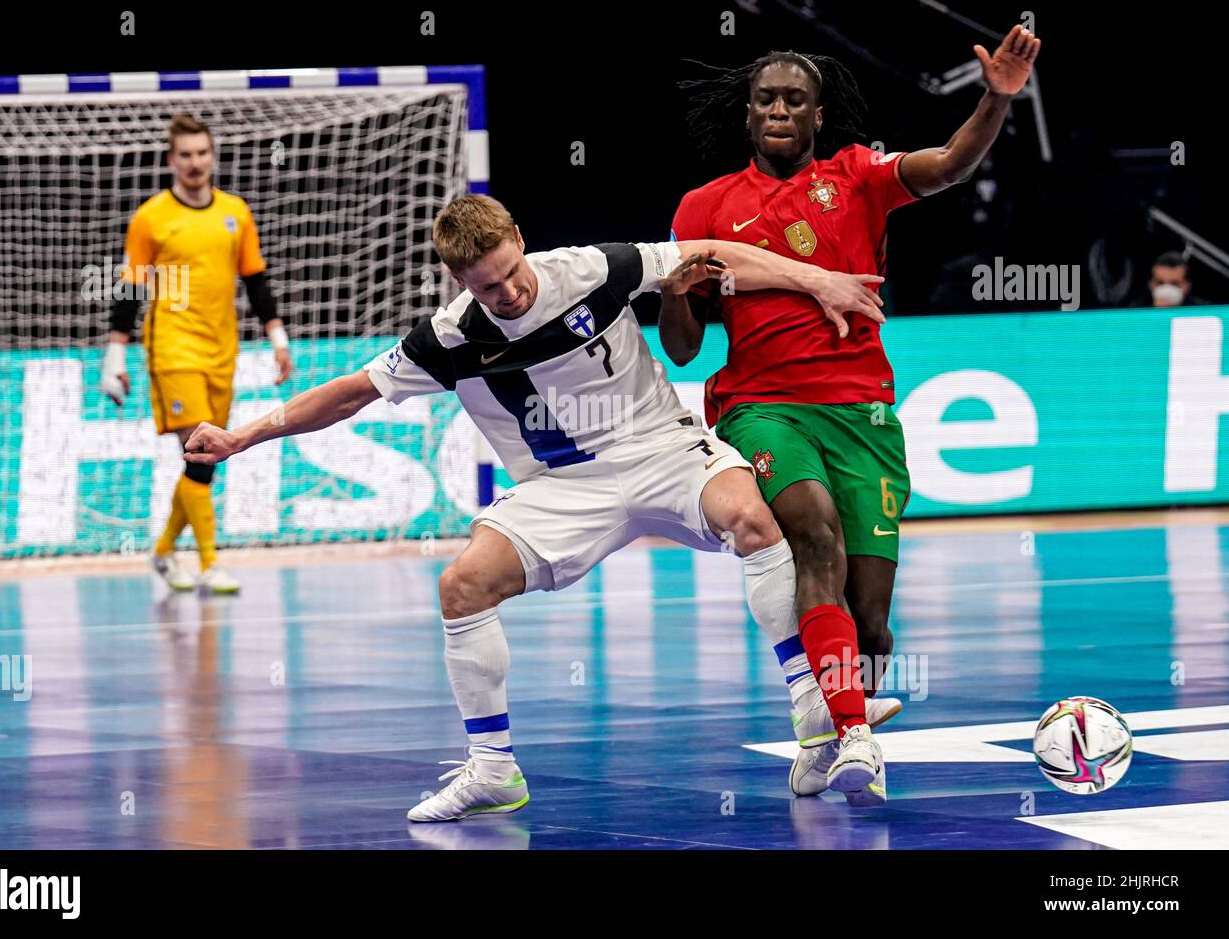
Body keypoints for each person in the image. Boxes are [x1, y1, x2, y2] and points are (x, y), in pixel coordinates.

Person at [182, 194, 900, 819]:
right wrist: (244, 436)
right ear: (460, 281)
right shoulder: (450, 336)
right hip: (560, 489)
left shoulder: (590, 269)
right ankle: (492, 769)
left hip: (659, 448)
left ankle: (812, 711)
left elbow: (709, 251)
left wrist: (819, 278)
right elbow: (350, 392)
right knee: (461, 585)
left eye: (511, 273)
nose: (510, 294)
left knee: (752, 517)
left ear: (520, 240)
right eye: (488, 288)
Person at [663, 25, 1042, 800]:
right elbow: (681, 349)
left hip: (863, 415)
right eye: (765, 98)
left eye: (794, 100)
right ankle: (856, 738)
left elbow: (946, 166)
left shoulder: (858, 176)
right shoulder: (704, 208)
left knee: (871, 625)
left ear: (818, 115)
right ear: (746, 114)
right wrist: (671, 292)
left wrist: (997, 101)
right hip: (763, 409)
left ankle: (826, 729)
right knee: (812, 533)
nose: (778, 109)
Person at [100, 114, 294, 594]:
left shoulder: (235, 212)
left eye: (201, 153)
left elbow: (255, 280)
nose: (194, 162)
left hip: (221, 352)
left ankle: (165, 552)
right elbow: (130, 289)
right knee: (203, 453)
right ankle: (210, 564)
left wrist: (278, 337)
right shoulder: (150, 217)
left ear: (212, 156)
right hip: (172, 349)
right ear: (171, 160)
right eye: (185, 155)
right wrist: (114, 356)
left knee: (202, 460)